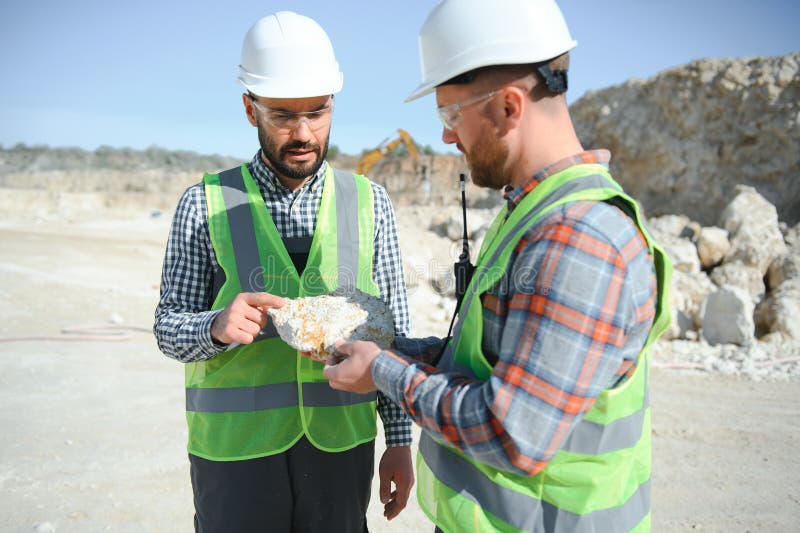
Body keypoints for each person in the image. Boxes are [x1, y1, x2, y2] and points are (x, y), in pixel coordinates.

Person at [324, 0, 673, 531]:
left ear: (510, 107)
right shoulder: (531, 213)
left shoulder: (577, 239)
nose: (444, 135)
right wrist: (391, 349)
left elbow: (512, 433)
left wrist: (381, 371)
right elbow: (488, 361)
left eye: (450, 114)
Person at [153, 11, 414, 533]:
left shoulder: (370, 202)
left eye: (317, 113)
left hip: (341, 444)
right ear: (250, 109)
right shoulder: (203, 203)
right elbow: (166, 327)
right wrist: (214, 327)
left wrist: (400, 442)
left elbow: (394, 334)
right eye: (282, 115)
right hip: (235, 455)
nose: (303, 133)